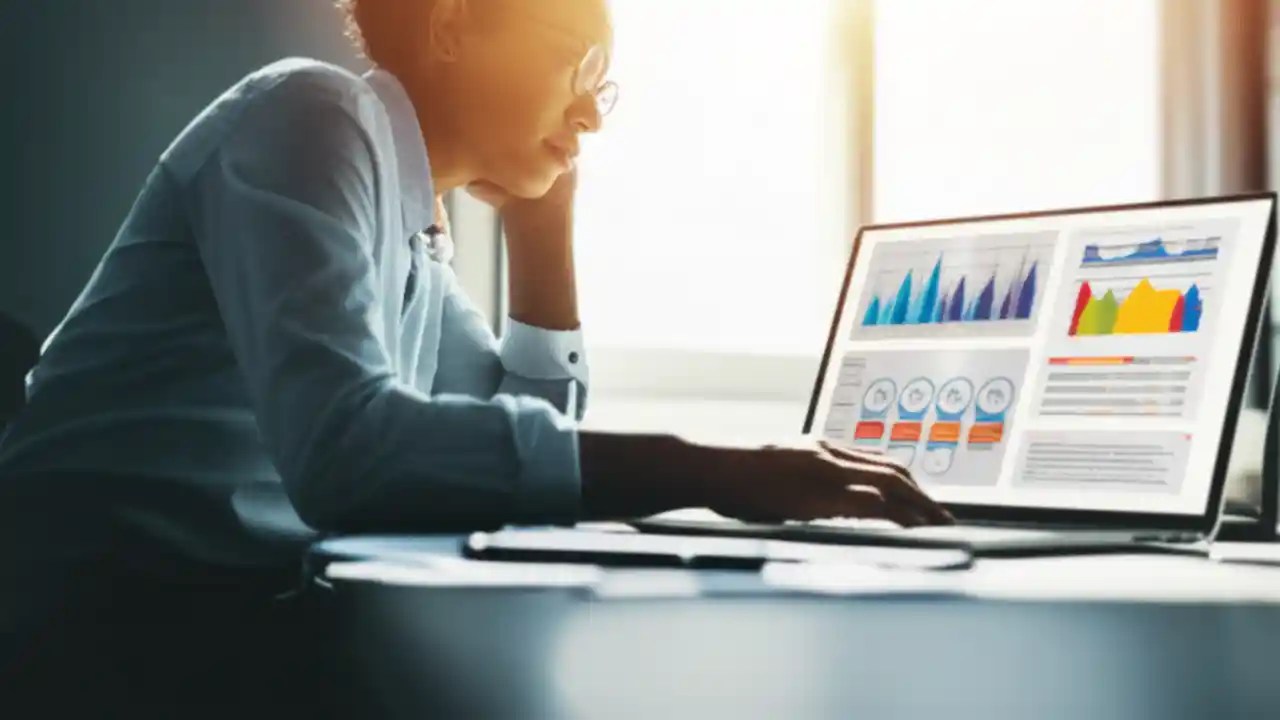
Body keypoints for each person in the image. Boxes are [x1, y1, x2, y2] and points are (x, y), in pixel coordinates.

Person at [0, 0, 950, 713]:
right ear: (452, 22)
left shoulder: (410, 223)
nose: (592, 118)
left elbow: (520, 447)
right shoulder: (309, 118)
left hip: (204, 612)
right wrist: (709, 469)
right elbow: (352, 453)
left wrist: (546, 236)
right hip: (89, 625)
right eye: (577, 66)